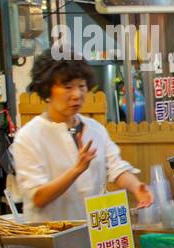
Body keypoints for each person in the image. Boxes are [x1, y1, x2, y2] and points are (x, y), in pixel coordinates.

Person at [12, 56, 153, 222]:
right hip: (51, 238)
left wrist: (137, 187)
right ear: (47, 90)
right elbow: (38, 197)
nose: (77, 94)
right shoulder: (29, 136)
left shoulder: (95, 129)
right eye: (67, 87)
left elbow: (115, 168)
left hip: (94, 232)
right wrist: (77, 169)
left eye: (82, 86)